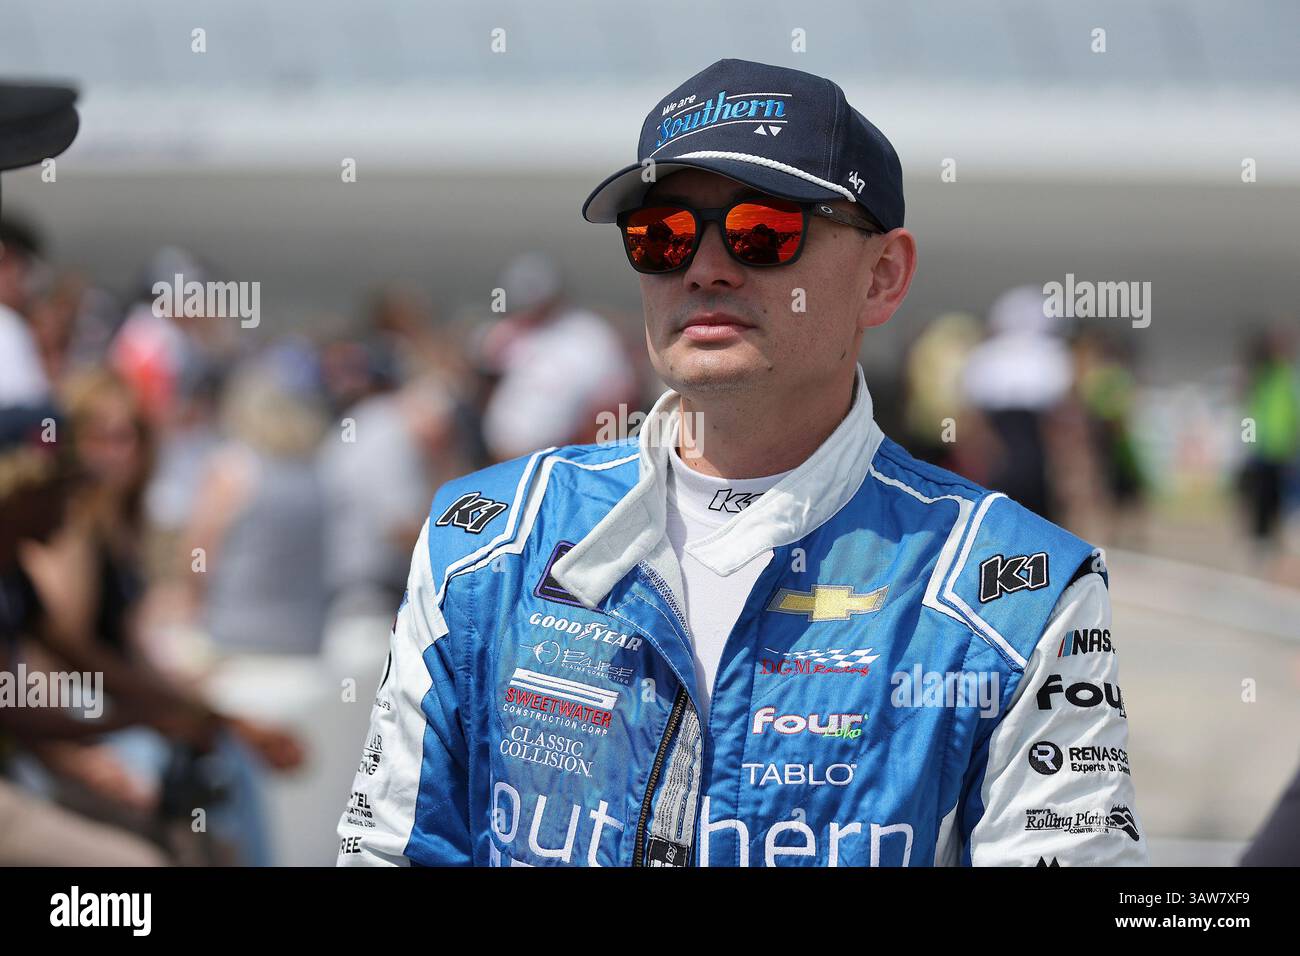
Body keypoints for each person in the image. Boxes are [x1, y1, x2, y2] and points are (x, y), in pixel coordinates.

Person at [337, 58, 1145, 867]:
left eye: (765, 230)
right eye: (662, 237)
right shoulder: (483, 542)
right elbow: (386, 851)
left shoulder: (1018, 588)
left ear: (884, 275)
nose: (705, 268)